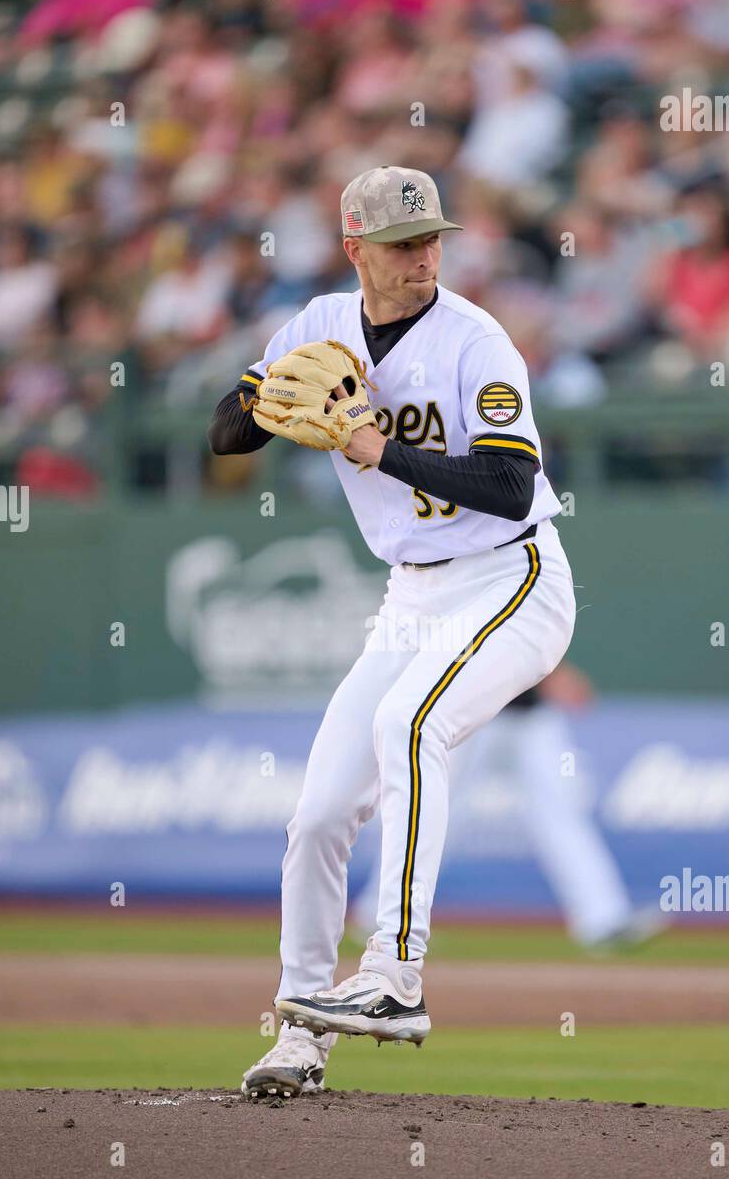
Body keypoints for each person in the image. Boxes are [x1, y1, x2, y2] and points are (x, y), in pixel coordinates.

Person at [209, 166, 576, 1098]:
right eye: (405, 242)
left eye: (432, 238)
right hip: (409, 595)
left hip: (512, 578)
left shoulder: (476, 340)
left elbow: (509, 486)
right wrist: (268, 405)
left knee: (411, 727)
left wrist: (378, 447)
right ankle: (299, 1030)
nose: (424, 255)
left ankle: (395, 978)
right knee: (322, 812)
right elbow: (223, 436)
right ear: (355, 249)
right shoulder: (318, 326)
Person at [352, 663, 670, 950]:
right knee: (433, 813)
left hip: (534, 717)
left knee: (564, 816)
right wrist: (553, 674)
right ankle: (381, 915)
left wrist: (552, 671)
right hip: (473, 714)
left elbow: (535, 629)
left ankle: (604, 921)